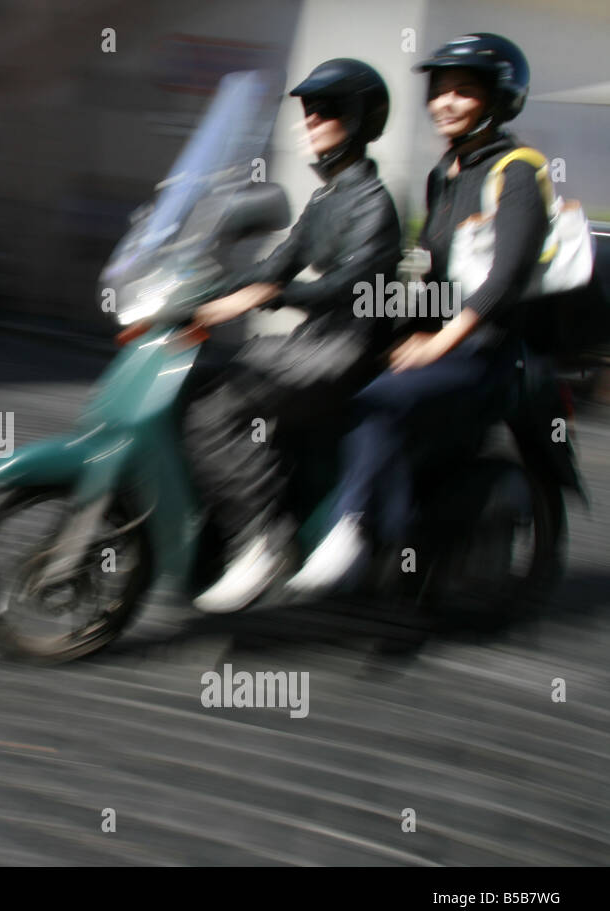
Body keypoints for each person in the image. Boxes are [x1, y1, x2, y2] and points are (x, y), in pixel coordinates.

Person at [284, 33, 548, 595]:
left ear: (498, 101)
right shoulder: (445, 173)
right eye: (439, 90)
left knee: (379, 399)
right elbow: (430, 275)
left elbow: (505, 279)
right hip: (445, 338)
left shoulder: (517, 171)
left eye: (464, 91)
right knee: (332, 377)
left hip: (487, 352)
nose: (444, 102)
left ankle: (353, 530)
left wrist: (437, 343)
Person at [184, 58, 402, 614]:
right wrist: (193, 292)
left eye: (326, 110)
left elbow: (345, 289)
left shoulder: (373, 205)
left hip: (343, 351)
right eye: (308, 110)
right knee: (198, 379)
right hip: (311, 344)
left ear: (357, 120)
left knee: (216, 409)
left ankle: (260, 542)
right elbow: (276, 264)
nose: (312, 120)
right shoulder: (327, 199)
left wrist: (265, 295)